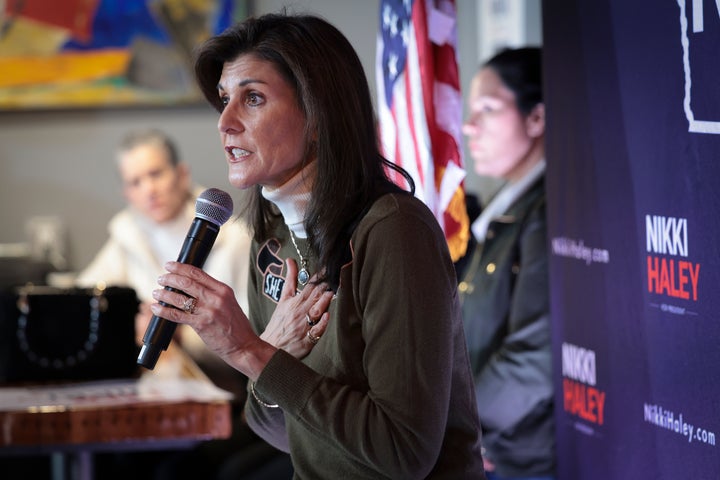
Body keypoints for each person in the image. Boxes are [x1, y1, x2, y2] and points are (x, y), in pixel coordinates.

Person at [147, 11, 486, 479]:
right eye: (225, 99)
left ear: (318, 116)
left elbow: (404, 454)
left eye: (253, 98)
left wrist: (250, 351)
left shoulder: (394, 231)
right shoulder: (272, 235)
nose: (225, 122)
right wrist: (266, 362)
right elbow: (281, 431)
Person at [74, 128, 291, 479]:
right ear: (125, 193)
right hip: (154, 396)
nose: (149, 189)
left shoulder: (232, 238)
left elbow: (255, 336)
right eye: (136, 182)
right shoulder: (127, 233)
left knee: (175, 469)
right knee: (113, 459)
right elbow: (87, 298)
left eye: (155, 174)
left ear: (181, 174)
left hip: (229, 399)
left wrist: (179, 333)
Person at [458, 47, 555, 480]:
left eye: (489, 109)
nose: (469, 126)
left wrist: (462, 429)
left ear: (537, 118)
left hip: (519, 456)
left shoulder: (549, 210)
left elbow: (537, 355)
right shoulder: (504, 208)